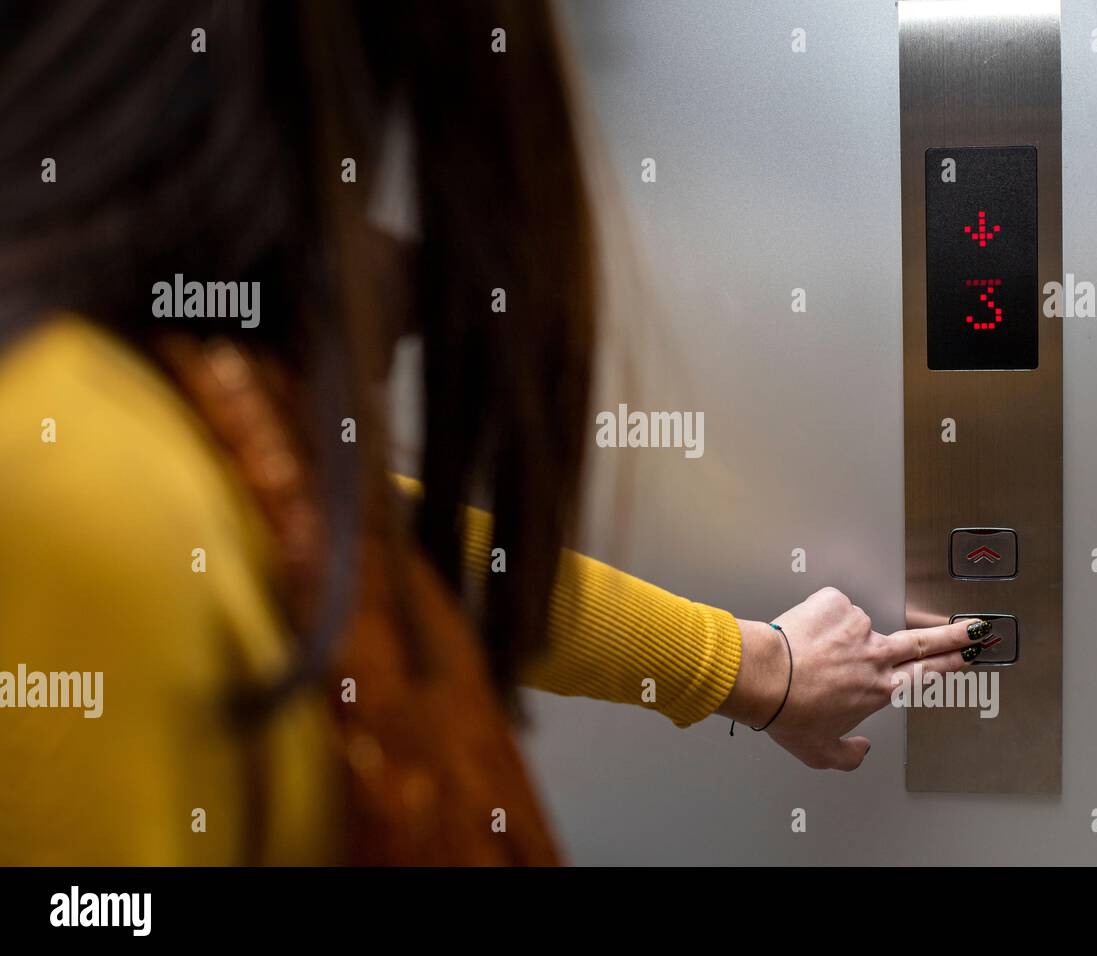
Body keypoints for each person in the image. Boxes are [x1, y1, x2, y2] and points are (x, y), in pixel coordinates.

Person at [0, 1, 991, 865]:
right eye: (373, 177)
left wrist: (748, 662)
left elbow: (404, 560)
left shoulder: (155, 447)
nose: (414, 290)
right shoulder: (78, 482)